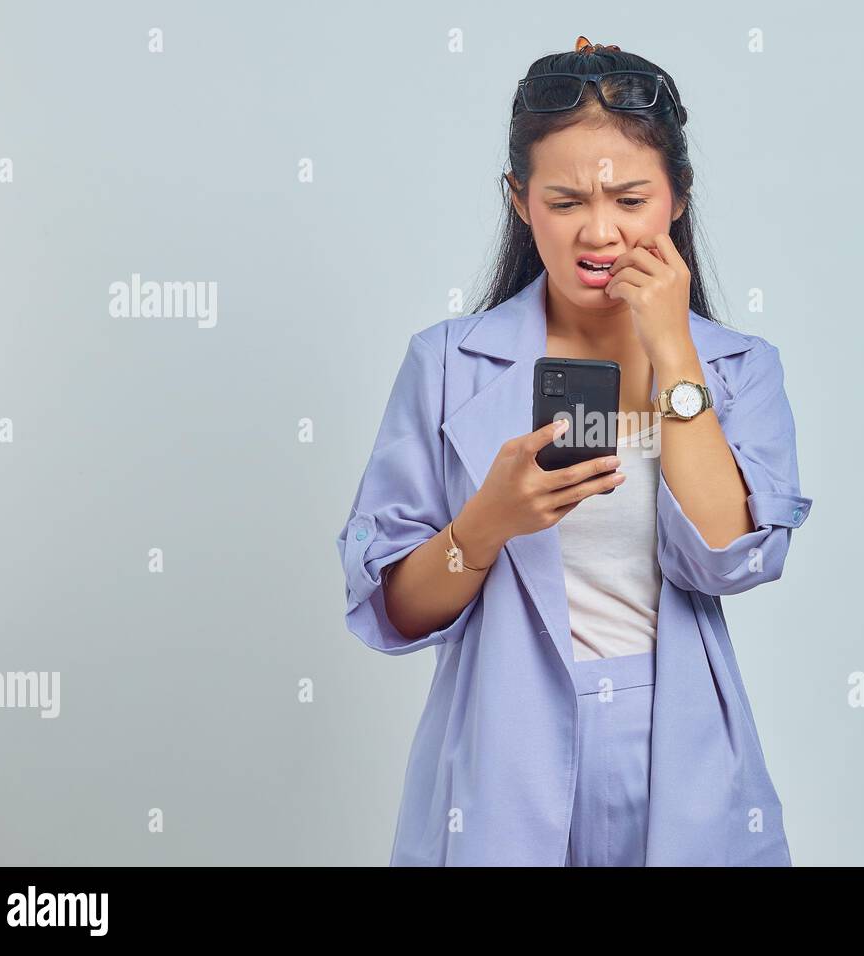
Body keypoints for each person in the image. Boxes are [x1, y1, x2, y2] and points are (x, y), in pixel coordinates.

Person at [336, 36, 812, 866]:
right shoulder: (448, 362)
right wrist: (486, 523)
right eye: (564, 202)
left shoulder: (739, 368)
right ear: (519, 201)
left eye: (631, 199)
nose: (601, 233)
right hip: (502, 753)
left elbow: (730, 559)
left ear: (677, 198)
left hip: (680, 744)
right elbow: (395, 611)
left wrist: (673, 349)